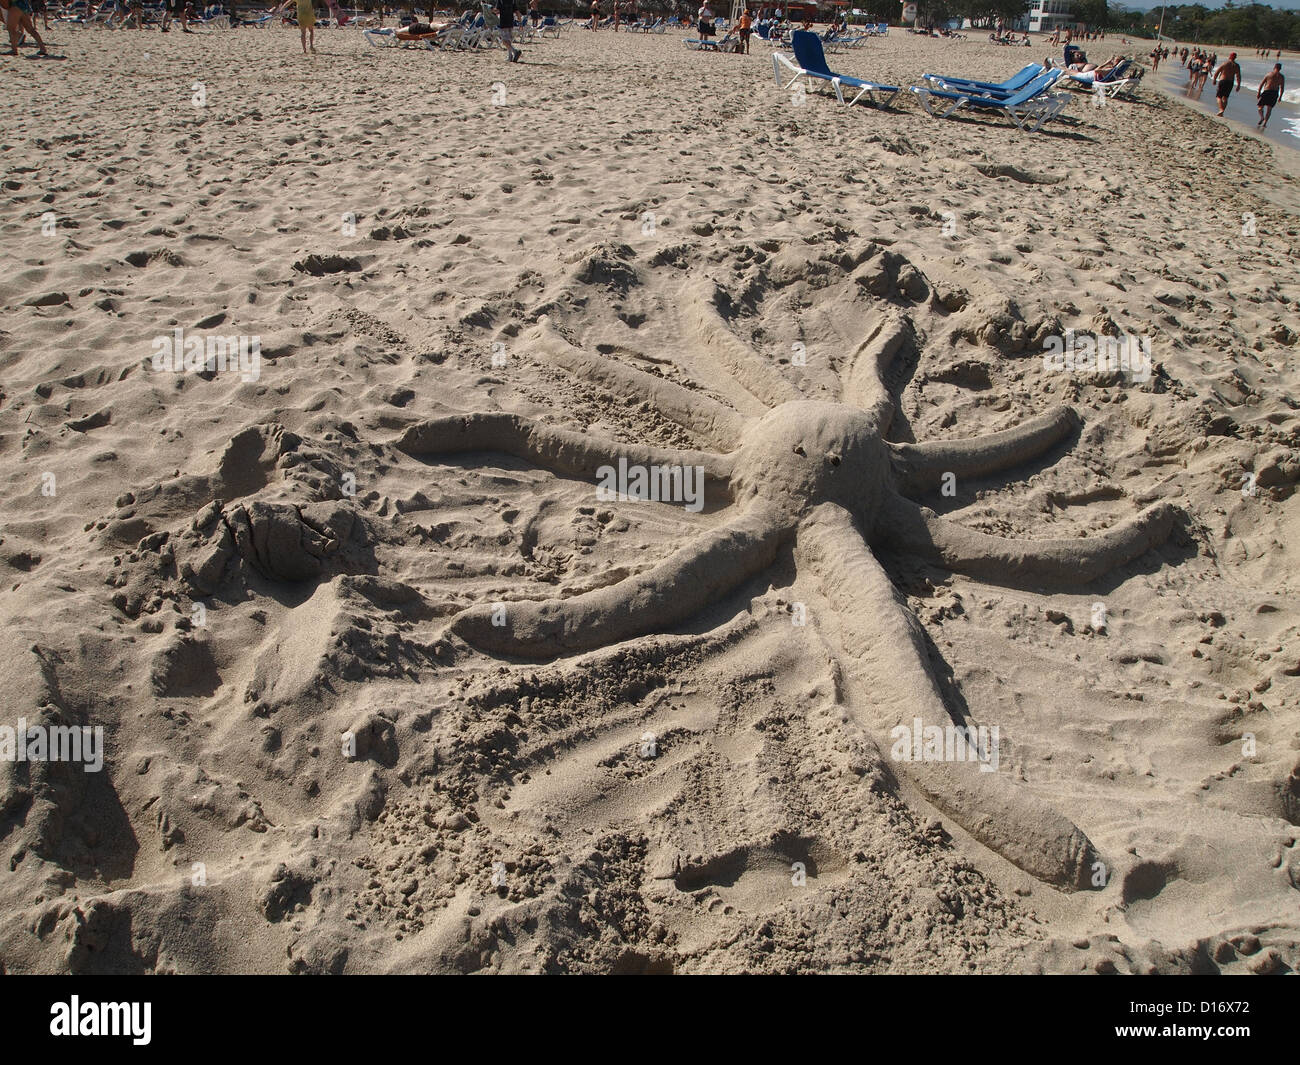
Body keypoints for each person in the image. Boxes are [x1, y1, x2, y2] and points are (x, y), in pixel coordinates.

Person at [1212, 52, 1241, 116]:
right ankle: (1222, 112)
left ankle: (1221, 109)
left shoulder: (1225, 63)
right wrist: (1238, 85)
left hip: (1223, 81)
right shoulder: (1237, 66)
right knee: (1225, 97)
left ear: (1230, 57)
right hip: (1230, 82)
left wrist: (1214, 79)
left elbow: (1217, 72)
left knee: (1219, 96)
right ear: (1235, 58)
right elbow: (1238, 76)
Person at [1257, 63, 1285, 128]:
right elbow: (1282, 87)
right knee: (1269, 109)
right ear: (1280, 68)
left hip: (1267, 91)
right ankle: (1265, 123)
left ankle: (1262, 117)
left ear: (1274, 67)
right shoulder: (1281, 77)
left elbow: (1261, 84)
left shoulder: (1269, 74)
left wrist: (1258, 92)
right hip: (1275, 93)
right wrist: (1280, 97)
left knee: (1260, 107)